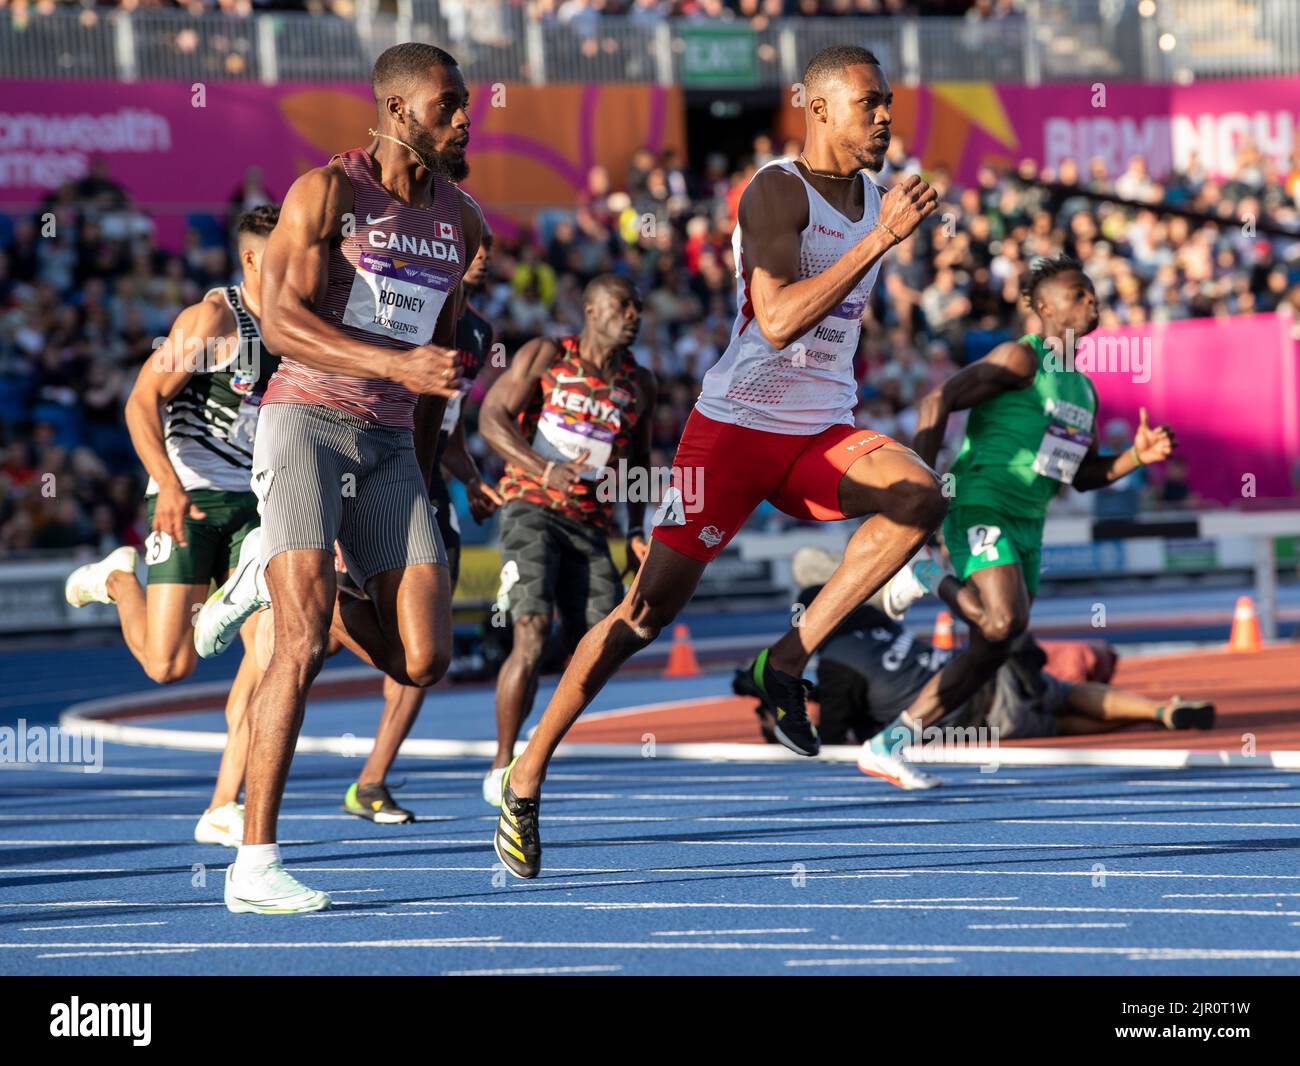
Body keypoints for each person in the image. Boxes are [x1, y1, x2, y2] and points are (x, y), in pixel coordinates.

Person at [493, 45, 948, 879]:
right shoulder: (777, 189)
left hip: (818, 435)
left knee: (920, 496)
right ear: (816, 108)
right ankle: (525, 778)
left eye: (889, 103)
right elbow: (775, 322)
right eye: (869, 103)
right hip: (733, 434)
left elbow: (846, 325)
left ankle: (788, 657)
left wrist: (894, 238)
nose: (886, 117)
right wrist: (880, 238)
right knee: (640, 617)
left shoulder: (881, 197)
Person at [194, 42, 483, 914]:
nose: (467, 117)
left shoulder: (462, 222)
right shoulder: (328, 192)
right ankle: (255, 862)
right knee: (301, 639)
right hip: (306, 423)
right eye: (449, 106)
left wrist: (429, 466)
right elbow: (279, 325)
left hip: (394, 449)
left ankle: (293, 572)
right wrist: (399, 371)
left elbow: (439, 361)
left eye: (467, 102)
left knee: (424, 658)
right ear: (399, 113)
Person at [870, 255, 1176, 784]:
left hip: (1030, 526)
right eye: (1078, 293)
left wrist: (1136, 458)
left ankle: (889, 742)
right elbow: (936, 400)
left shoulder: (1083, 388)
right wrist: (918, 493)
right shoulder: (1022, 359)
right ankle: (920, 573)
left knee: (993, 648)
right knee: (1004, 621)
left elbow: (1082, 476)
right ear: (1042, 307)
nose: (1091, 300)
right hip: (982, 504)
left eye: (1092, 291)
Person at [64, 205, 282, 848]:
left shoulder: (303, 322)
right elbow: (140, 400)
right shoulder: (215, 320)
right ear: (250, 261)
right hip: (190, 498)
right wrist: (168, 480)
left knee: (272, 657)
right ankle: (117, 579)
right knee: (168, 666)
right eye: (288, 252)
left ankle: (224, 804)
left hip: (261, 506)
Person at [340, 224, 503, 823]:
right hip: (362, 477)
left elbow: (449, 421)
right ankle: (235, 795)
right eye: (472, 248)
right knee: (294, 651)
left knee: (422, 653)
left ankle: (372, 781)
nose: (483, 258)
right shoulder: (391, 303)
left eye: (488, 250)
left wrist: (470, 479)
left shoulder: (479, 332)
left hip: (426, 495)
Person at [479, 274, 655, 810]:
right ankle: (503, 762)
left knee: (606, 641)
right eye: (623, 304)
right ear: (592, 309)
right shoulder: (548, 353)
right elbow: (491, 418)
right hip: (530, 508)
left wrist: (635, 530)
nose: (634, 314)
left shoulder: (639, 382)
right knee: (530, 634)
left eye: (638, 307)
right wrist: (542, 466)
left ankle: (539, 739)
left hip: (590, 523)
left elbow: (638, 462)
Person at [741, 595, 1214, 790]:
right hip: (979, 669)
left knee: (1057, 722)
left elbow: (842, 739)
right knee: (1067, 693)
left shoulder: (838, 670)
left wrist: (778, 723)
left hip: (968, 715)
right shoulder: (872, 631)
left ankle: (1150, 718)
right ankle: (1160, 710)